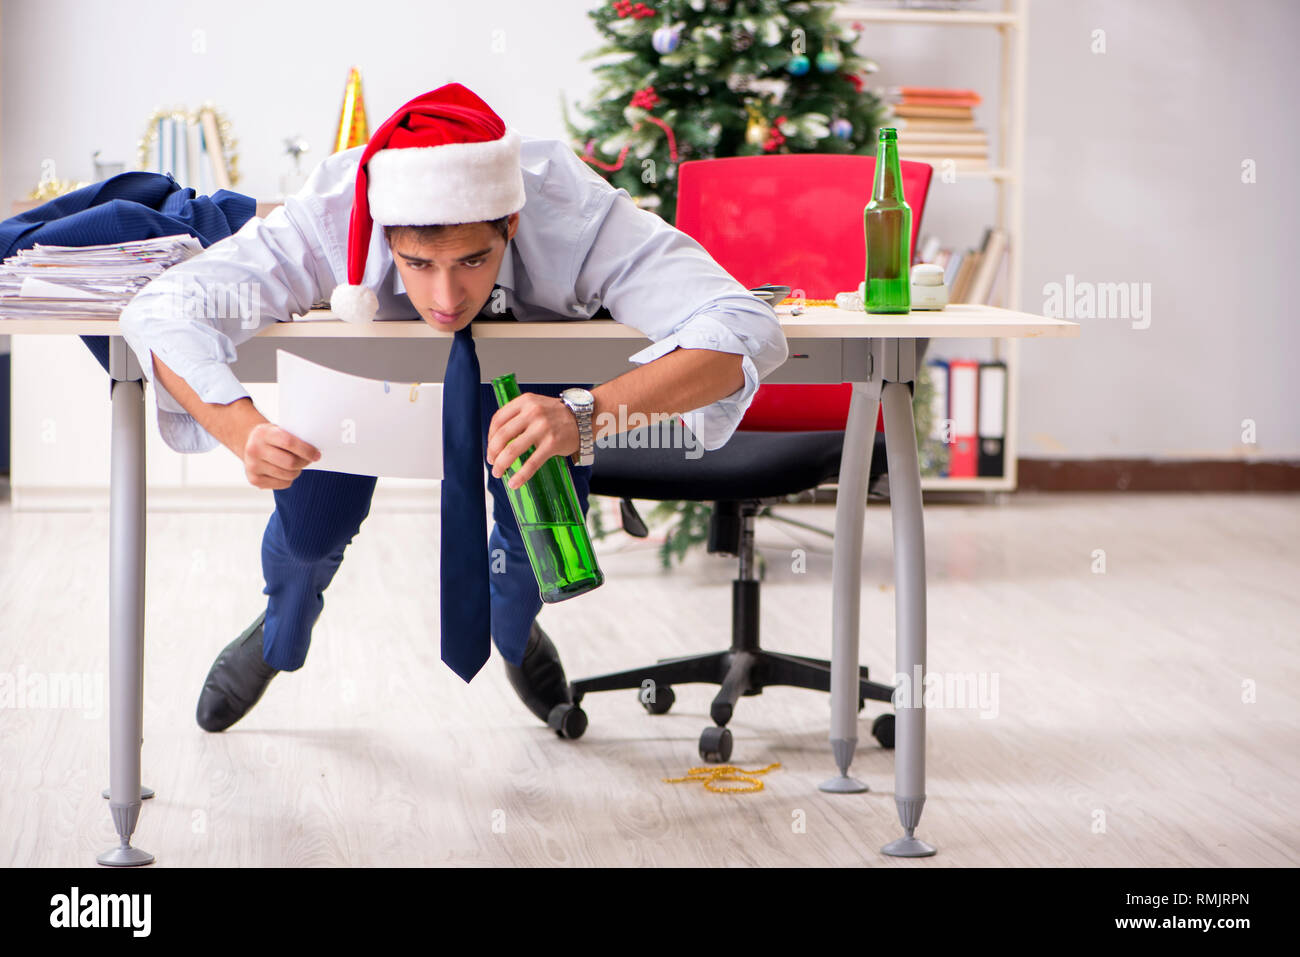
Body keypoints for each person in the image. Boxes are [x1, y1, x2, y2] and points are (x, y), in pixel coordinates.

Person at [118, 82, 787, 734]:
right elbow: (164, 307)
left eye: (472, 260)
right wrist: (242, 429)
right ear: (383, 233)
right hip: (360, 383)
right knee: (310, 531)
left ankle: (516, 632)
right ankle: (279, 630)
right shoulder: (328, 213)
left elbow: (740, 324)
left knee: (538, 539)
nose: (445, 296)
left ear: (513, 222)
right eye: (417, 263)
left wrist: (590, 414)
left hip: (534, 388)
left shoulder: (572, 208)